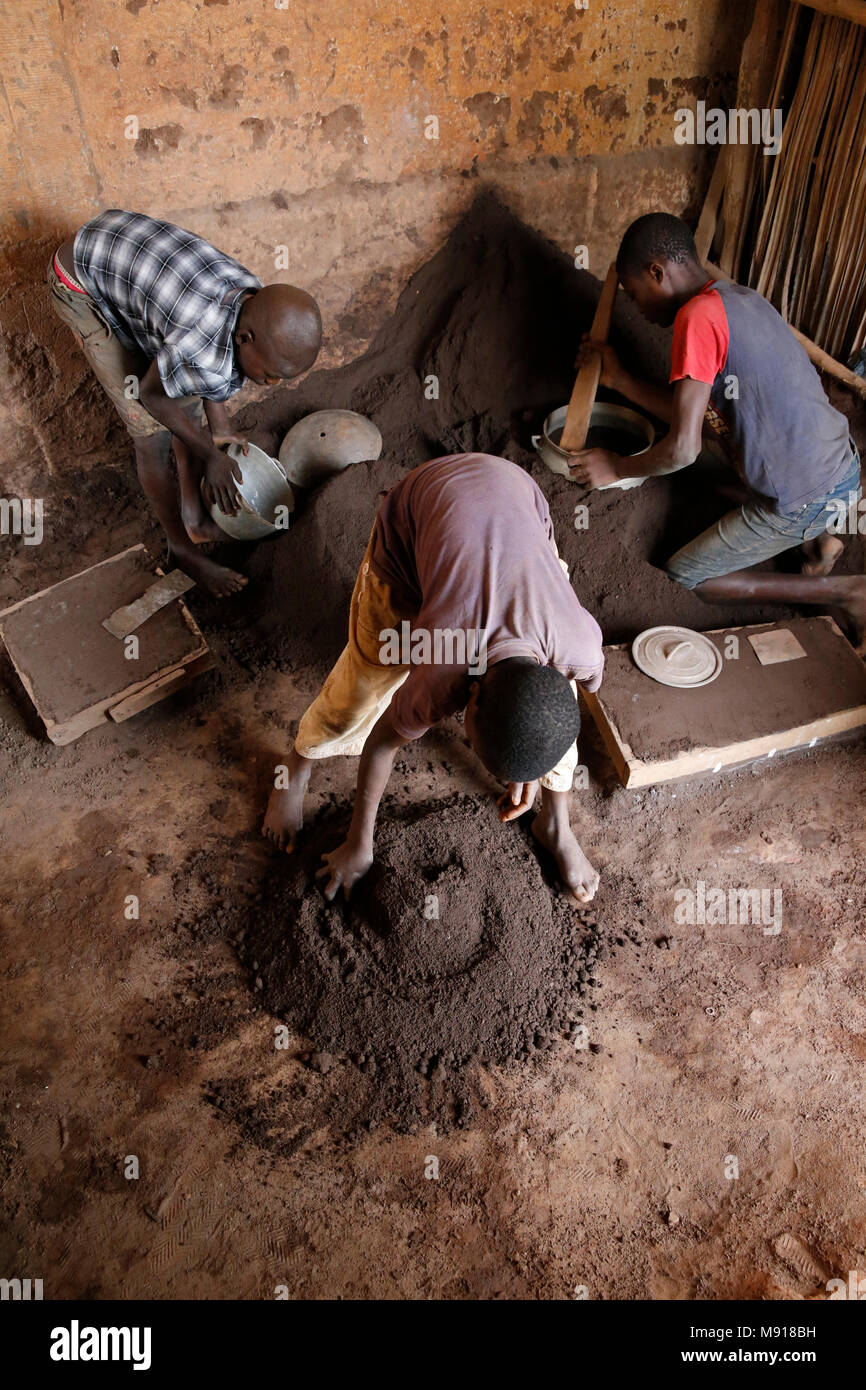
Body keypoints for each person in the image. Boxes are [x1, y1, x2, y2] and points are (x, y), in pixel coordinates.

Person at [263, 452, 604, 904]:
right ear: (471, 692)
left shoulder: (581, 645)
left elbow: (552, 708)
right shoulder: (443, 661)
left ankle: (555, 822)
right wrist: (358, 844)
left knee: (552, 720)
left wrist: (531, 764)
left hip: (518, 496)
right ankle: (297, 764)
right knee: (364, 681)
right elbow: (383, 741)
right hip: (419, 510)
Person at [568, 212, 866, 647]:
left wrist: (616, 466)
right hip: (841, 465)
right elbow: (706, 425)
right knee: (728, 457)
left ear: (658, 272)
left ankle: (847, 592)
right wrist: (621, 382)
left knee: (689, 574)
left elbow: (683, 449)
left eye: (634, 295)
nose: (638, 308)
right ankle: (823, 546)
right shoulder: (736, 298)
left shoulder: (695, 320)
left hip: (806, 498)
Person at [49, 209, 322, 595]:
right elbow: (151, 394)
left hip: (119, 254)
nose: (274, 383)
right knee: (152, 434)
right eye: (272, 373)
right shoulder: (201, 342)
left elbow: (203, 373)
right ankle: (181, 548)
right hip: (80, 281)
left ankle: (195, 521)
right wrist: (211, 455)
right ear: (245, 338)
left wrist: (221, 432)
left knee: (189, 408)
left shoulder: (252, 296)